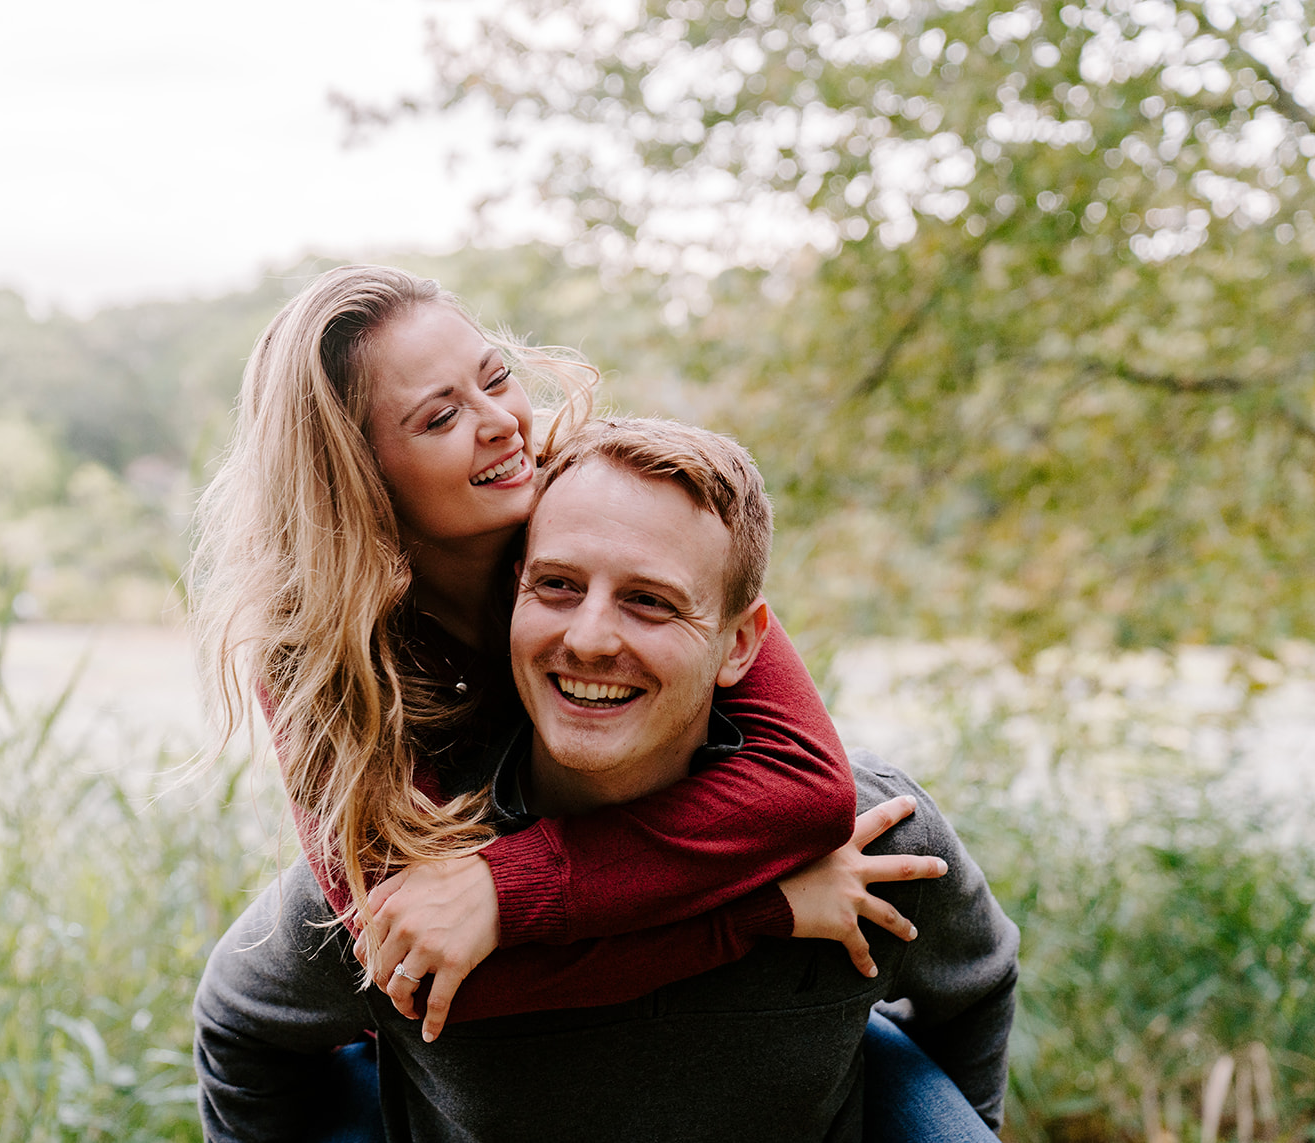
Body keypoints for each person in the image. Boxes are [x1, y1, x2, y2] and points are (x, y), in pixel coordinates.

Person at [187, 266, 954, 1134]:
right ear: (356, 475)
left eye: (496, 376)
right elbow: (435, 980)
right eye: (439, 418)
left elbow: (807, 790)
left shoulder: (601, 504)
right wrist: (762, 911)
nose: (503, 424)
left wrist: (503, 889)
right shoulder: (317, 653)